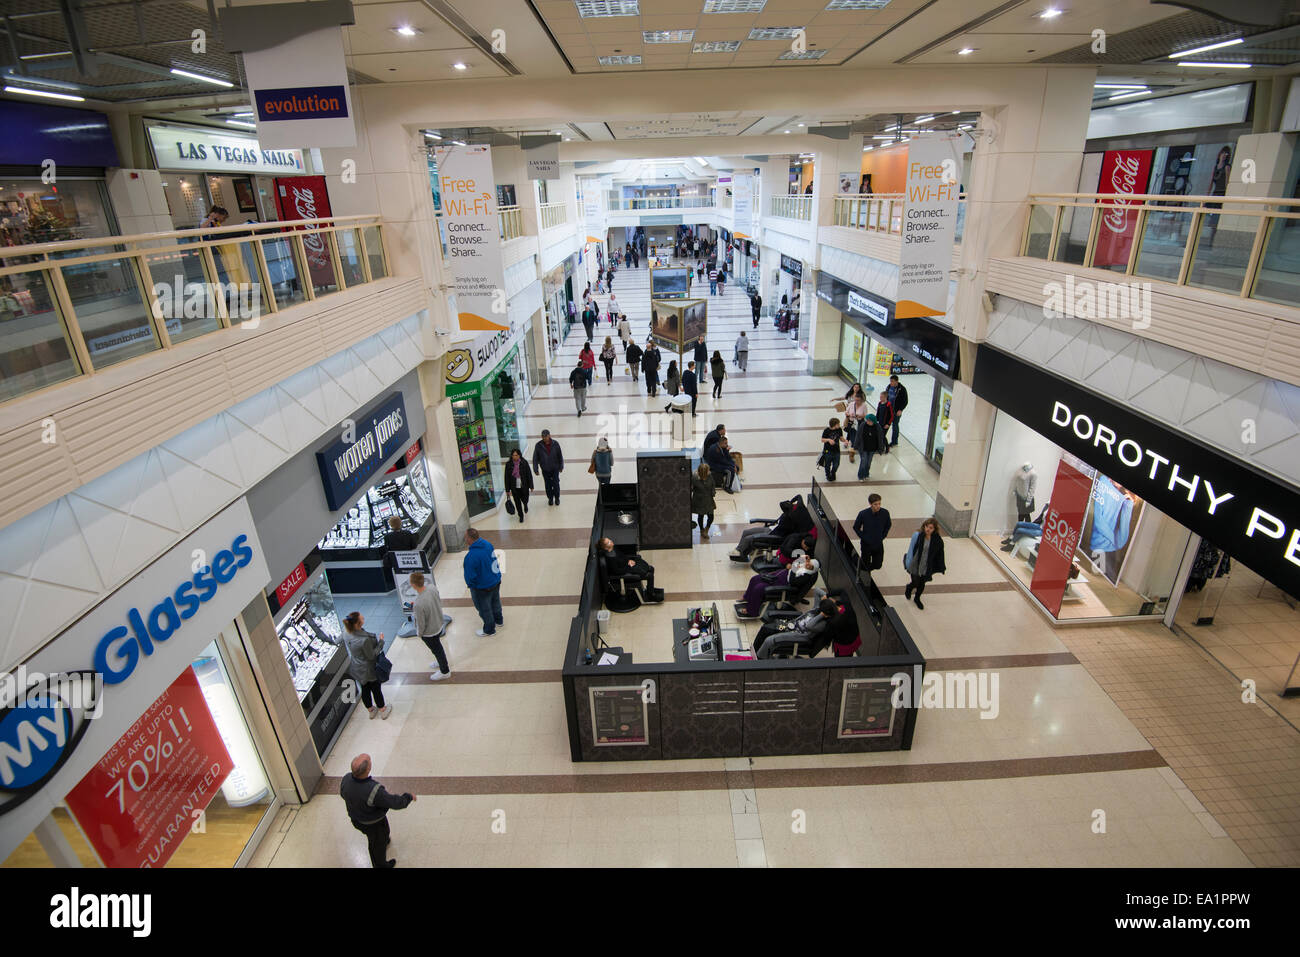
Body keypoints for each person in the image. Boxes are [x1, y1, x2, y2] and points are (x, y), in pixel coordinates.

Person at [340, 754, 414, 868]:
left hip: (356, 820)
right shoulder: (373, 790)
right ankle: (380, 865)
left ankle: (384, 840)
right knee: (376, 844)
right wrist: (408, 797)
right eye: (369, 761)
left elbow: (343, 794)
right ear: (368, 769)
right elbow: (394, 802)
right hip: (374, 824)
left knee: (381, 835)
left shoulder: (346, 779)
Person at [738, 552, 819, 618]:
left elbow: (793, 581)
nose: (807, 564)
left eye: (810, 566)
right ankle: (747, 597)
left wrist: (792, 568)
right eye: (808, 562)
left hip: (785, 583)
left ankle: (751, 612)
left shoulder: (806, 576)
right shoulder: (803, 566)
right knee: (755, 579)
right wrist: (798, 561)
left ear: (813, 569)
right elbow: (793, 565)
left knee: (759, 588)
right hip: (781, 574)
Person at [731, 496, 813, 561]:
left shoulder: (791, 520)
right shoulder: (788, 514)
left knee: (748, 539)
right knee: (746, 532)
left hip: (774, 536)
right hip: (772, 529)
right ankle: (740, 551)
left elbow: (783, 533)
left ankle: (740, 553)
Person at [752, 598, 836, 659]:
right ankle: (754, 651)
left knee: (769, 640)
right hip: (791, 625)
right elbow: (818, 591)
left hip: (798, 635)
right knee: (766, 628)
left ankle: (760, 658)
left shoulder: (823, 623)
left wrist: (822, 615)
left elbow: (809, 626)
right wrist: (828, 597)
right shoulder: (816, 610)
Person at [342, 612, 389, 719]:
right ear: (358, 623)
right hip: (368, 669)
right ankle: (382, 709)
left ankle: (371, 710)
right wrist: (381, 642)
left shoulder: (346, 633)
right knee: (376, 689)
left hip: (357, 668)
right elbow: (371, 655)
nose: (364, 618)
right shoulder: (364, 640)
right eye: (361, 618)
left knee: (365, 689)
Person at [410, 571, 453, 680]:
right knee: (437, 647)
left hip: (429, 632)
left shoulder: (418, 604)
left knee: (437, 649)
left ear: (413, 585)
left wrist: (419, 634)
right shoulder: (432, 588)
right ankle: (440, 662)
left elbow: (421, 623)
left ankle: (445, 671)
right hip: (438, 623)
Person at [463, 528, 503, 636]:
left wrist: (472, 586)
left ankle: (489, 629)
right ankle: (499, 620)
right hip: (495, 580)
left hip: (482, 587)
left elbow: (470, 576)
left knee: (484, 608)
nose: (464, 539)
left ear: (469, 539)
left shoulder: (471, 557)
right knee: (496, 602)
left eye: (465, 537)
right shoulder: (487, 544)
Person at [903, 518, 946, 610]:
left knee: (922, 583)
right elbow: (911, 549)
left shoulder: (937, 540)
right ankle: (909, 587)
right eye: (926, 526)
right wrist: (908, 561)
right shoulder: (918, 535)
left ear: (934, 529)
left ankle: (917, 598)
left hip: (926, 565)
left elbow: (940, 554)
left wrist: (941, 566)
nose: (928, 529)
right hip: (915, 563)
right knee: (915, 582)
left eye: (930, 528)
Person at [852, 493, 892, 573]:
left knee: (878, 565)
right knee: (865, 565)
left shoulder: (885, 513)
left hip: (878, 543)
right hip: (866, 545)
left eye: (879, 503)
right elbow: (856, 527)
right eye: (875, 504)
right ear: (870, 504)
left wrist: (883, 536)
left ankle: (865, 567)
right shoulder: (863, 514)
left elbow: (888, 525)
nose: (878, 506)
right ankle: (855, 559)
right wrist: (864, 537)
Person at [532, 430, 564, 505]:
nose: (544, 438)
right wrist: (535, 469)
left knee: (556, 484)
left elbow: (560, 456)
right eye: (543, 436)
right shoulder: (538, 445)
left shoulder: (555, 444)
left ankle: (557, 498)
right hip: (545, 469)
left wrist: (561, 466)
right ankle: (550, 498)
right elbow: (535, 458)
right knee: (548, 485)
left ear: (549, 435)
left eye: (546, 436)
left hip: (555, 468)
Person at [853, 412, 888, 480]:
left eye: (869, 421)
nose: (867, 422)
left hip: (872, 448)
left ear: (873, 421)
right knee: (864, 461)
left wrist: (881, 448)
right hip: (863, 448)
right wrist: (855, 446)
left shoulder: (877, 427)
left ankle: (866, 473)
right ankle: (861, 475)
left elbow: (880, 438)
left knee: (869, 462)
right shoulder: (863, 425)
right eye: (867, 420)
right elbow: (858, 436)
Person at [503, 448, 532, 522]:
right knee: (517, 502)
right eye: (513, 455)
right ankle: (521, 515)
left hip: (524, 486)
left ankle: (525, 505)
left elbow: (529, 474)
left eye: (516, 455)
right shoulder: (509, 464)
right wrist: (507, 490)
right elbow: (506, 478)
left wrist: (531, 486)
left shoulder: (524, 462)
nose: (514, 457)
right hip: (514, 487)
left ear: (519, 455)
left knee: (525, 499)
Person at [691, 462, 717, 536]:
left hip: (709, 499)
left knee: (711, 516)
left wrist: (713, 492)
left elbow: (713, 485)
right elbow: (691, 488)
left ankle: (707, 528)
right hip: (699, 500)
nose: (707, 472)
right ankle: (702, 529)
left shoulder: (710, 476)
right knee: (701, 516)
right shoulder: (695, 478)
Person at [885, 374, 910, 448]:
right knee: (885, 424)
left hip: (896, 411)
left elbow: (905, 401)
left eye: (892, 381)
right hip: (888, 409)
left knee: (895, 426)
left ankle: (894, 441)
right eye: (890, 381)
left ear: (897, 381)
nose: (891, 383)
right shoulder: (889, 387)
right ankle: (882, 439)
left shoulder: (902, 389)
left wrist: (900, 410)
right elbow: (886, 395)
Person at [843, 383, 868, 450]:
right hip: (851, 422)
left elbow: (865, 415)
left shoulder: (864, 405)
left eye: (858, 400)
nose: (856, 401)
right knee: (851, 433)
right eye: (855, 400)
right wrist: (849, 414)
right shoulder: (851, 403)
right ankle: (851, 445)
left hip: (859, 422)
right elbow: (846, 412)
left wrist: (859, 415)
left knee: (858, 435)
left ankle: (853, 444)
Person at [820, 417, 844, 482]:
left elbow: (841, 438)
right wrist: (828, 440)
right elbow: (822, 440)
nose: (839, 425)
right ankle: (828, 475)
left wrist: (845, 441)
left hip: (837, 450)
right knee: (827, 465)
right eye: (838, 424)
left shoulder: (839, 430)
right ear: (834, 424)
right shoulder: (826, 430)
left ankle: (833, 472)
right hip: (828, 451)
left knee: (836, 464)